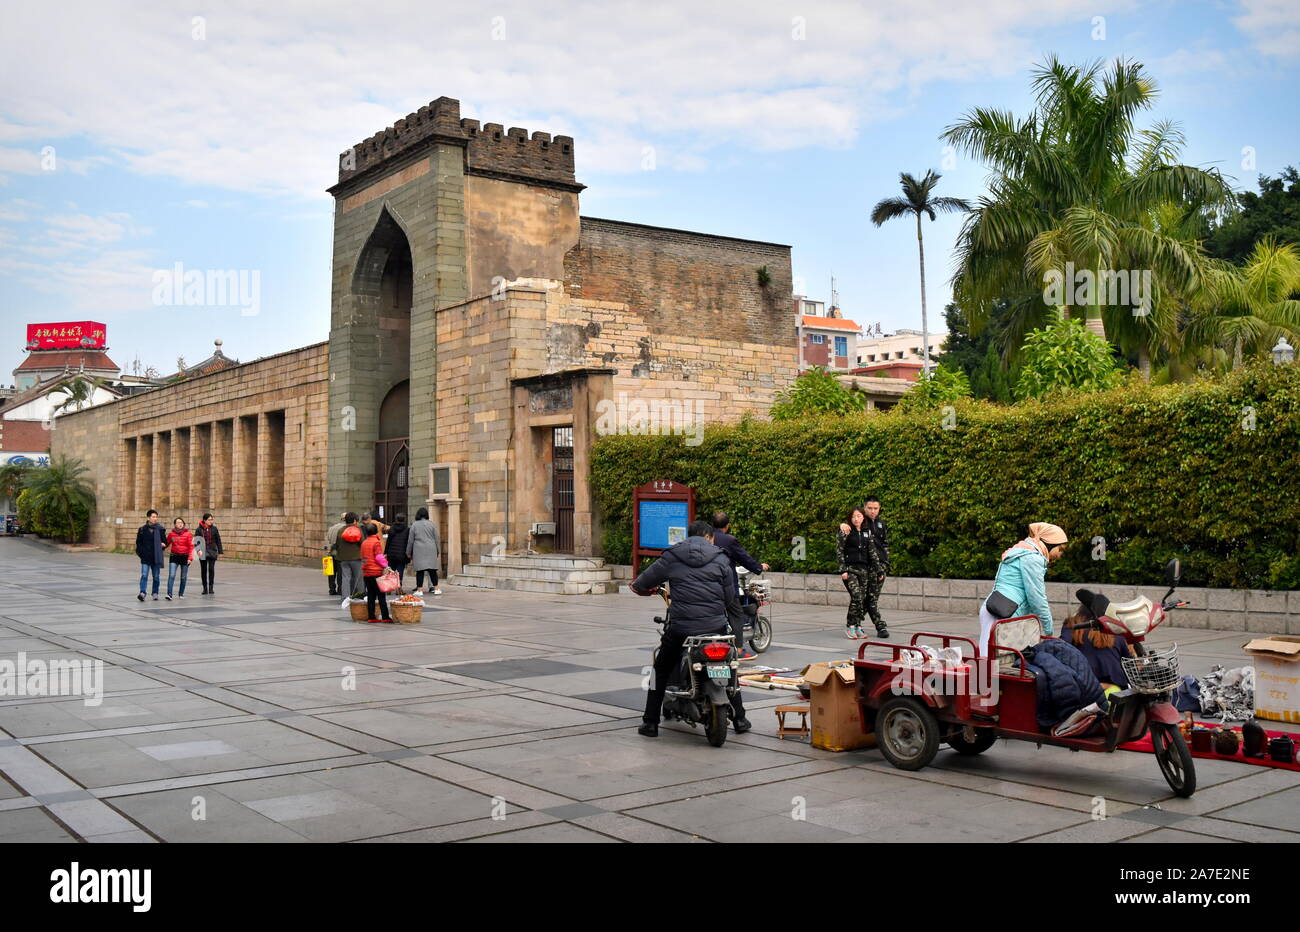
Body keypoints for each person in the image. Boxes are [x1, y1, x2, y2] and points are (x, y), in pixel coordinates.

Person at [631, 520, 750, 737]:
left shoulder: (672, 556)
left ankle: (650, 723)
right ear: (708, 537)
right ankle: (741, 719)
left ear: (688, 537)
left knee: (661, 669)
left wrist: (644, 590)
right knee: (730, 666)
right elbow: (729, 596)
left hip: (681, 628)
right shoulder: (721, 557)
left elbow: (640, 585)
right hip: (715, 626)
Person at [978, 522, 1068, 655]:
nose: (1060, 555)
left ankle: (982, 674)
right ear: (1050, 544)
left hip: (995, 609)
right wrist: (1049, 630)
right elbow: (1037, 598)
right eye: (1060, 550)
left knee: (987, 660)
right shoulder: (1032, 559)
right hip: (1006, 615)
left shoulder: (1020, 551)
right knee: (994, 665)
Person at [710, 512, 768, 661]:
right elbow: (744, 558)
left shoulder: (705, 538)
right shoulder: (728, 540)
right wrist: (759, 567)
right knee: (736, 614)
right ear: (727, 525)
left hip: (706, 585)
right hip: (725, 585)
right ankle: (739, 649)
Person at [840, 496, 890, 636]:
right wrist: (841, 525)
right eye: (870, 508)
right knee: (861, 597)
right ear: (865, 508)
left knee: (870, 598)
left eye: (876, 508)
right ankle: (873, 625)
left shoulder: (881, 524)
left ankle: (858, 624)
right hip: (863, 567)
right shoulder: (860, 521)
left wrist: (885, 562)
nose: (873, 511)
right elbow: (847, 526)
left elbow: (884, 544)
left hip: (879, 566)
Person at [360, 523, 393, 623]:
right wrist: (386, 566)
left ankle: (371, 616)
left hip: (367, 573)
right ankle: (385, 617)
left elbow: (363, 558)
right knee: (381, 595)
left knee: (371, 595)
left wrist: (365, 568)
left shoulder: (364, 543)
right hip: (376, 572)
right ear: (376, 532)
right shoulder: (376, 542)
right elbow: (379, 557)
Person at [406, 506, 441, 596]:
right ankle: (436, 588)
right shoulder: (432, 524)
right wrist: (438, 550)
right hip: (431, 548)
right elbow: (437, 538)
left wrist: (408, 552)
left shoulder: (414, 525)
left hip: (419, 549)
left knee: (420, 571)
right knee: (432, 570)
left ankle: (419, 589)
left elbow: (410, 540)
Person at [135, 509, 166, 601]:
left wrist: (163, 545)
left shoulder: (160, 529)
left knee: (156, 576)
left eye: (156, 517)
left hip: (156, 557)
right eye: (153, 517)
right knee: (144, 575)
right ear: (148, 518)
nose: (155, 518)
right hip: (145, 557)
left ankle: (155, 593)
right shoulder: (142, 530)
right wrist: (141, 554)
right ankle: (142, 592)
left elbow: (164, 542)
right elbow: (138, 543)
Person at [335, 513, 364, 607]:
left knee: (345, 577)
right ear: (355, 521)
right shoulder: (358, 530)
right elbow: (362, 543)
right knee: (358, 577)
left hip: (343, 558)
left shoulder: (340, 530)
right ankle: (360, 595)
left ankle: (345, 597)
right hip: (356, 558)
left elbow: (337, 544)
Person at [164, 518, 194, 600]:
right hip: (174, 556)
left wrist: (190, 558)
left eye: (181, 522)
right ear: (175, 525)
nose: (180, 524)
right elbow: (166, 544)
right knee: (172, 575)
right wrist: (161, 546)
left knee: (183, 577)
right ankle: (169, 594)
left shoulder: (188, 534)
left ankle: (181, 593)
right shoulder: (171, 534)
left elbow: (191, 547)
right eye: (178, 523)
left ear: (183, 524)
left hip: (185, 557)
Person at [195, 513, 223, 595]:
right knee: (203, 570)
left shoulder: (214, 529)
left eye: (212, 519)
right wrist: (198, 550)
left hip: (212, 551)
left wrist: (220, 551)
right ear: (204, 520)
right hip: (202, 552)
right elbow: (196, 542)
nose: (211, 521)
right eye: (209, 520)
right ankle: (205, 588)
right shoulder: (199, 529)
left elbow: (218, 540)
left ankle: (211, 588)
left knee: (211, 569)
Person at [385, 513, 411, 587]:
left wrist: (386, 552)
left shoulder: (391, 528)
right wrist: (408, 553)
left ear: (396, 519)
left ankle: (389, 586)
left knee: (391, 570)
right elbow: (408, 542)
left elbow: (388, 541)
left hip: (391, 553)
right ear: (404, 520)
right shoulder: (407, 529)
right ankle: (398, 587)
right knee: (400, 570)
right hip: (402, 553)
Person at [324, 512, 347, 596]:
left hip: (331, 553)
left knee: (331, 573)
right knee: (341, 573)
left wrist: (328, 549)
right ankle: (340, 589)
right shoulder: (345, 528)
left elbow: (327, 540)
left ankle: (332, 589)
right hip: (340, 554)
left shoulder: (332, 528)